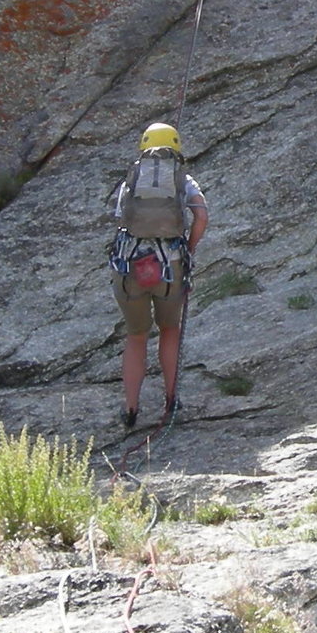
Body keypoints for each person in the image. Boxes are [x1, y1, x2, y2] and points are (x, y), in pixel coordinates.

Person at [108, 122, 207, 430]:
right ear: (176, 148)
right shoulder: (183, 179)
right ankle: (171, 398)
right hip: (170, 266)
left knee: (136, 336)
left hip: (129, 267)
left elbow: (118, 218)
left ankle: (131, 409)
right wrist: (188, 249)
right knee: (169, 330)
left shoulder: (131, 178)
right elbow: (201, 216)